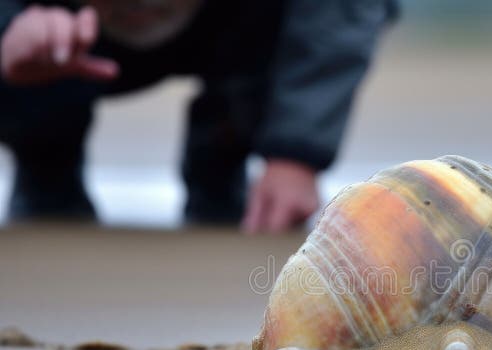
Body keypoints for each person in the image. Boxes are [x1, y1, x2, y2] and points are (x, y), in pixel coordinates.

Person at [0, 0, 396, 233]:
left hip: (232, 24)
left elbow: (343, 13)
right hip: (50, 33)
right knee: (38, 103)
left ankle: (223, 157)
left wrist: (297, 152)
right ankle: (46, 171)